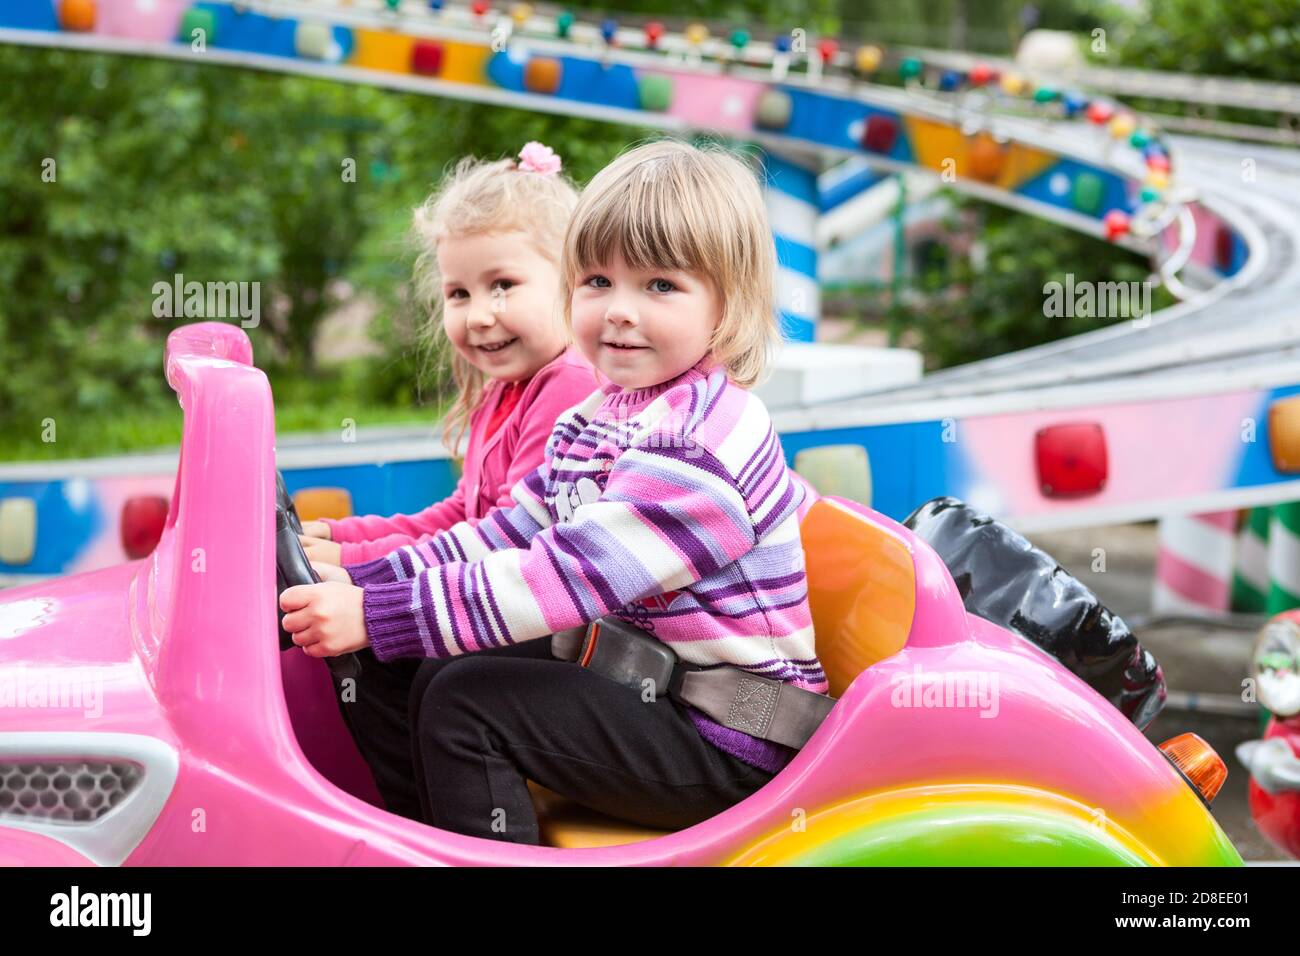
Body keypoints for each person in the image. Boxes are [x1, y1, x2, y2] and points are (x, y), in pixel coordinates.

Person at [283, 139, 826, 844]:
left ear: (727, 304)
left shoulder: (696, 445)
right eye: (597, 281)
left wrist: (378, 611)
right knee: (408, 661)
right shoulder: (600, 414)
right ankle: (420, 840)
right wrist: (359, 578)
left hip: (729, 738)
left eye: (660, 285)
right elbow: (507, 533)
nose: (619, 311)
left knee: (464, 705)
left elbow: (558, 578)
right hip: (651, 688)